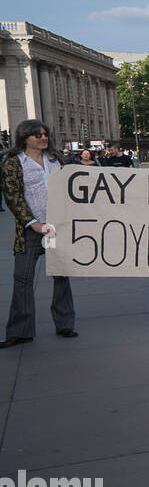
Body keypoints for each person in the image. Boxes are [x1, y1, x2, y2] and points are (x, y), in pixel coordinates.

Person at [1, 120, 77, 348]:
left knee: (61, 276)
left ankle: (65, 324)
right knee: (22, 279)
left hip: (57, 228)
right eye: (37, 135)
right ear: (25, 138)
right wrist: (32, 223)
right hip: (31, 230)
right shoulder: (13, 163)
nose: (43, 138)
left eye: (45, 134)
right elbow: (12, 196)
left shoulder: (56, 160)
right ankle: (20, 331)